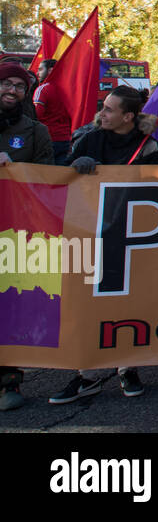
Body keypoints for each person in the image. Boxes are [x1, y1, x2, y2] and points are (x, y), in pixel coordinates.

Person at [52, 86, 158, 405]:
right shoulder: (90, 139)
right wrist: (76, 165)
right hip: (89, 236)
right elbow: (66, 181)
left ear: (129, 116)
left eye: (110, 109)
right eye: (103, 107)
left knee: (128, 304)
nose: (103, 113)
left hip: (132, 241)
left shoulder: (149, 146)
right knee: (88, 305)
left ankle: (128, 368)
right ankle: (87, 374)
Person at [0, 63, 53, 411]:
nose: (13, 90)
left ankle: (9, 382)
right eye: (6, 83)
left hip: (14, 234)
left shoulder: (35, 131)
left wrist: (18, 172)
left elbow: (47, 177)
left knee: (10, 306)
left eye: (20, 86)